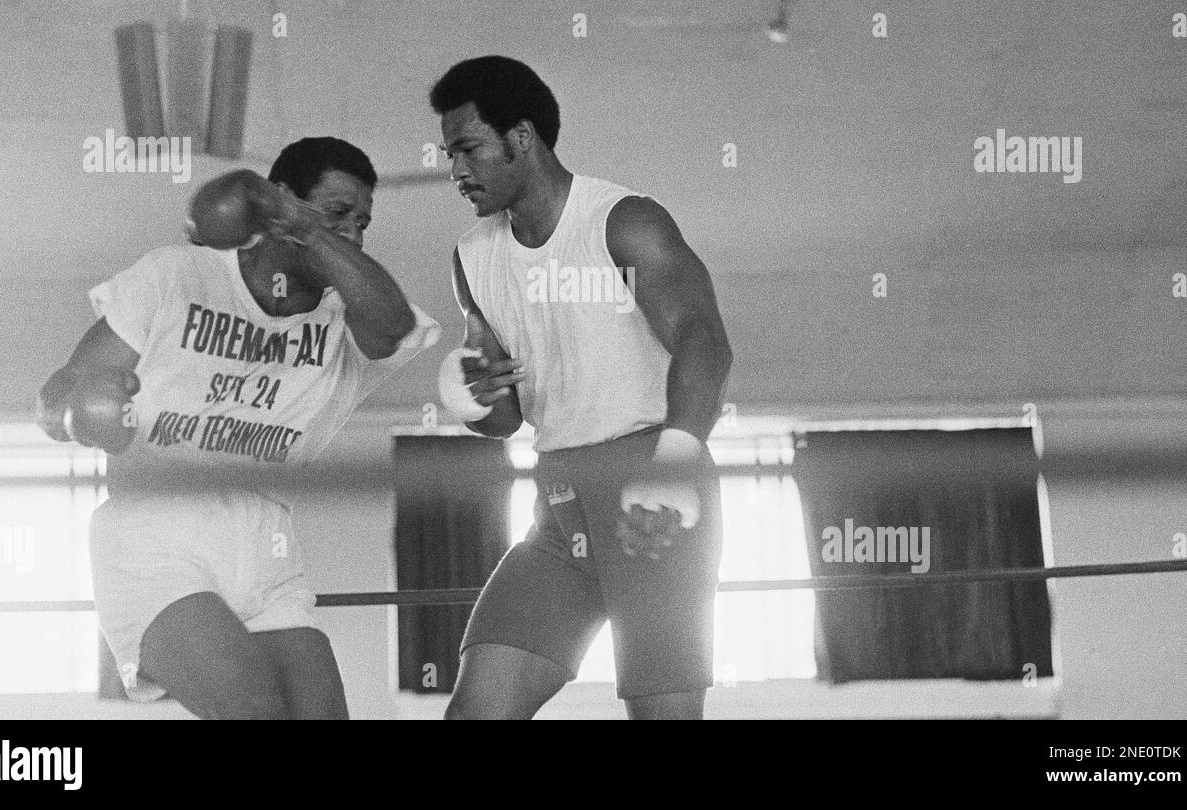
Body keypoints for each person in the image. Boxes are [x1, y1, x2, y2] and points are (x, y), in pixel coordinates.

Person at [36, 137, 439, 719]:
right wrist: (82, 413)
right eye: (338, 213)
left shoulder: (348, 320)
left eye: (362, 223)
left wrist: (305, 225)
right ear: (279, 205)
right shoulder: (176, 276)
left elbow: (394, 325)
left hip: (267, 546)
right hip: (154, 537)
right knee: (257, 712)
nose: (351, 233)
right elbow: (54, 399)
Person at [430, 56, 733, 719]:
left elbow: (704, 340)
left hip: (652, 488)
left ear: (522, 138)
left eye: (468, 149)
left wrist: (674, 468)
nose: (455, 171)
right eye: (449, 152)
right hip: (558, 505)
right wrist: (470, 397)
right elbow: (504, 416)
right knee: (474, 713)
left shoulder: (623, 221)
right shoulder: (473, 257)